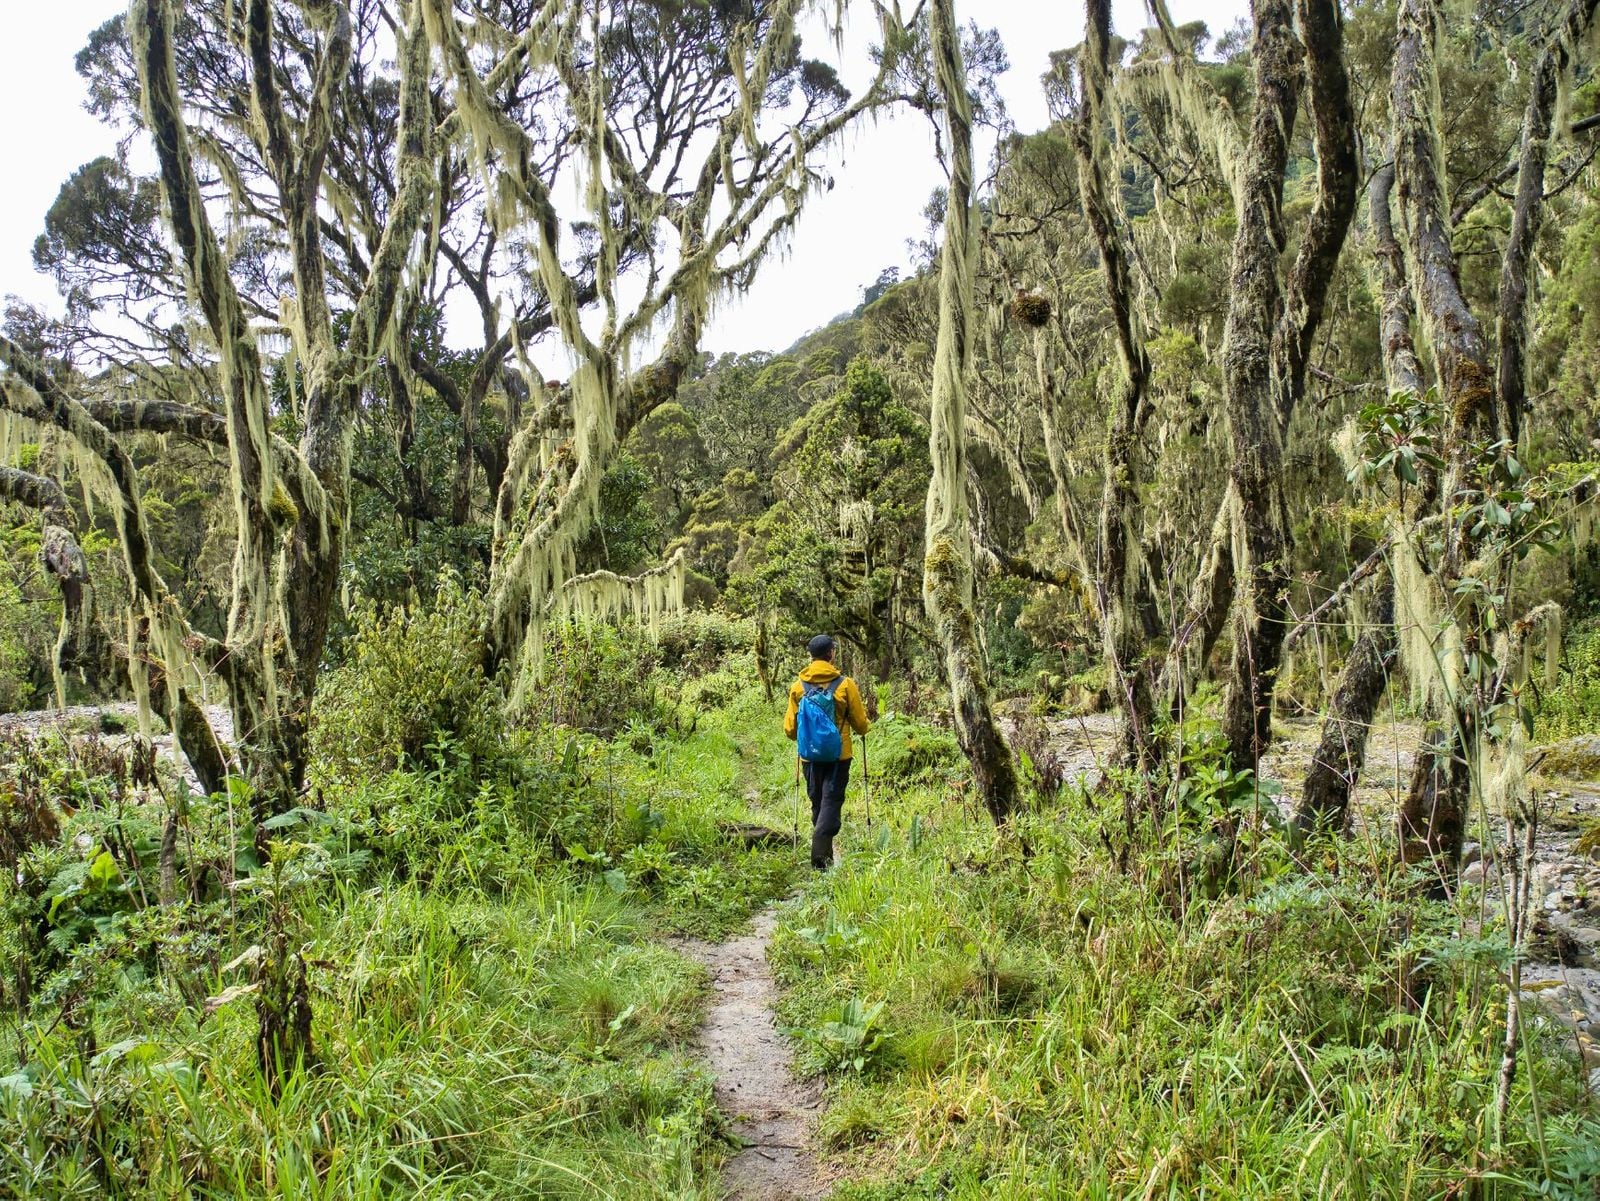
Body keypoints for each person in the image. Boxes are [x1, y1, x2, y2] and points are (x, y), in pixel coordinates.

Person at [784, 634, 871, 870]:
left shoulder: (798, 687)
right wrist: (866, 727)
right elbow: (860, 725)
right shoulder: (845, 685)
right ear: (831, 653)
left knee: (818, 803)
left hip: (809, 756)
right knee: (831, 801)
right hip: (838, 756)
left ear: (811, 656)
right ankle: (820, 859)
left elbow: (790, 730)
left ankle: (825, 858)